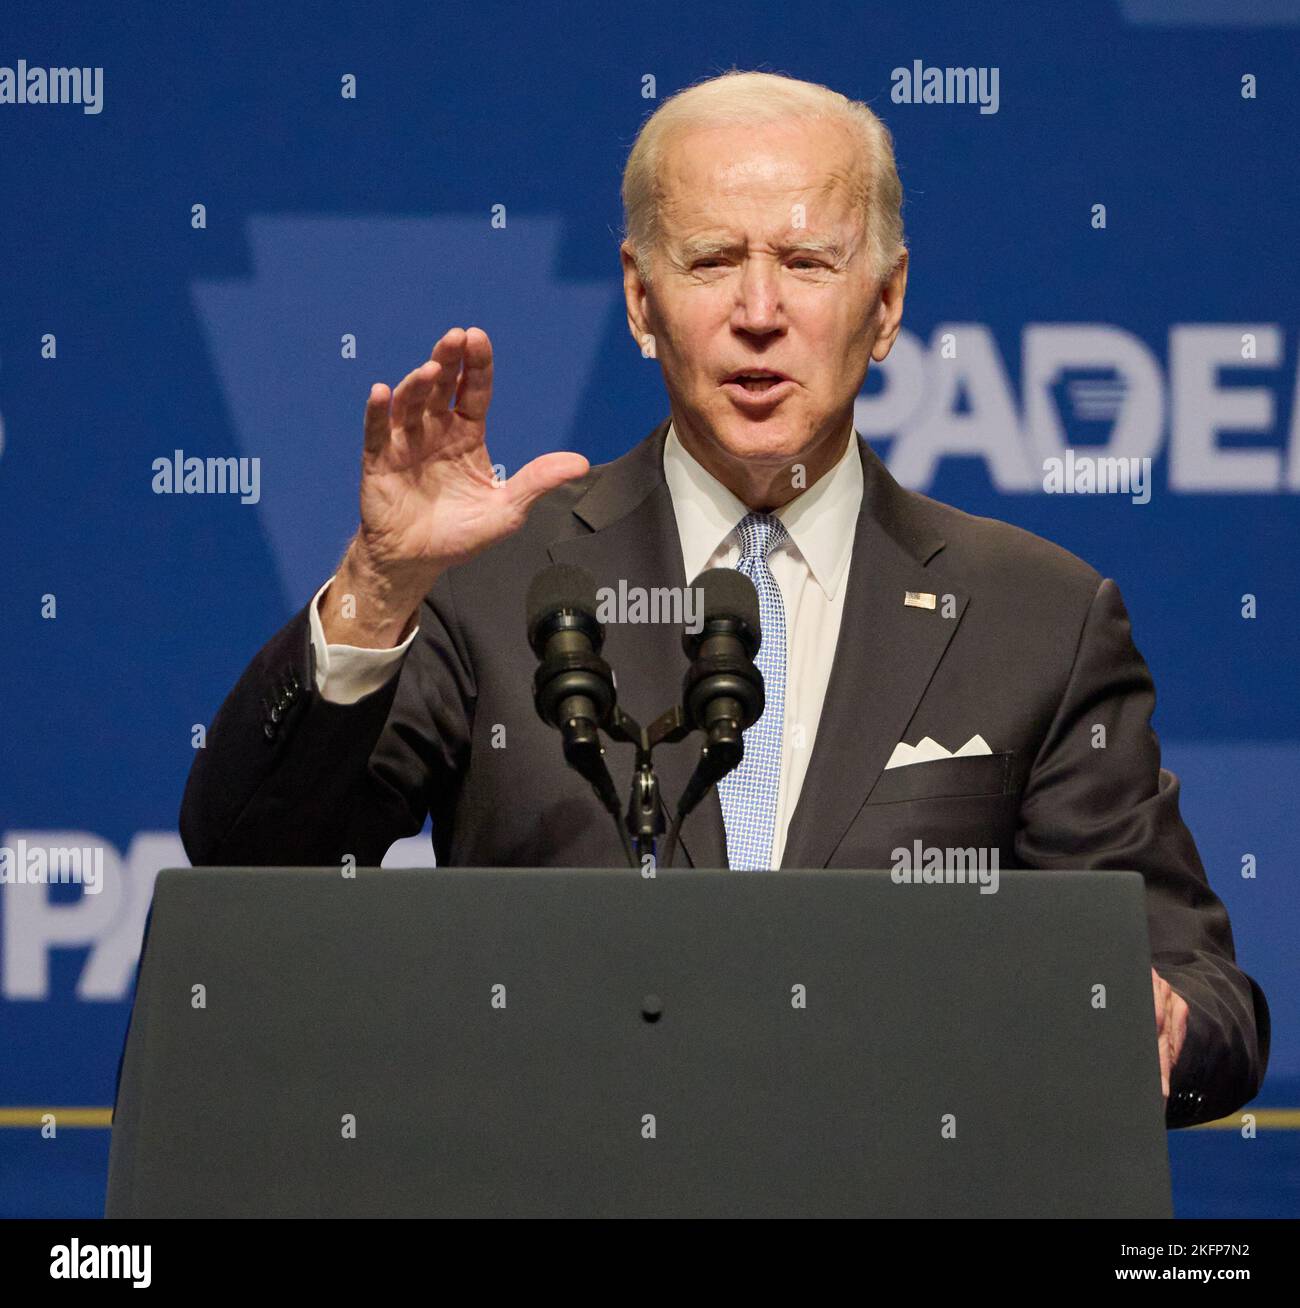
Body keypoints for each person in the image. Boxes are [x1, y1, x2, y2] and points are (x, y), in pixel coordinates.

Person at [181, 70, 1268, 1128]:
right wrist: (379, 587)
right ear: (640, 299)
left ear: (884, 304)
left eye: (805, 260)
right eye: (710, 262)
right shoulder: (493, 583)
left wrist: (1156, 1022)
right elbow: (251, 871)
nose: (759, 310)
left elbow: (1198, 984)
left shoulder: (1035, 613)